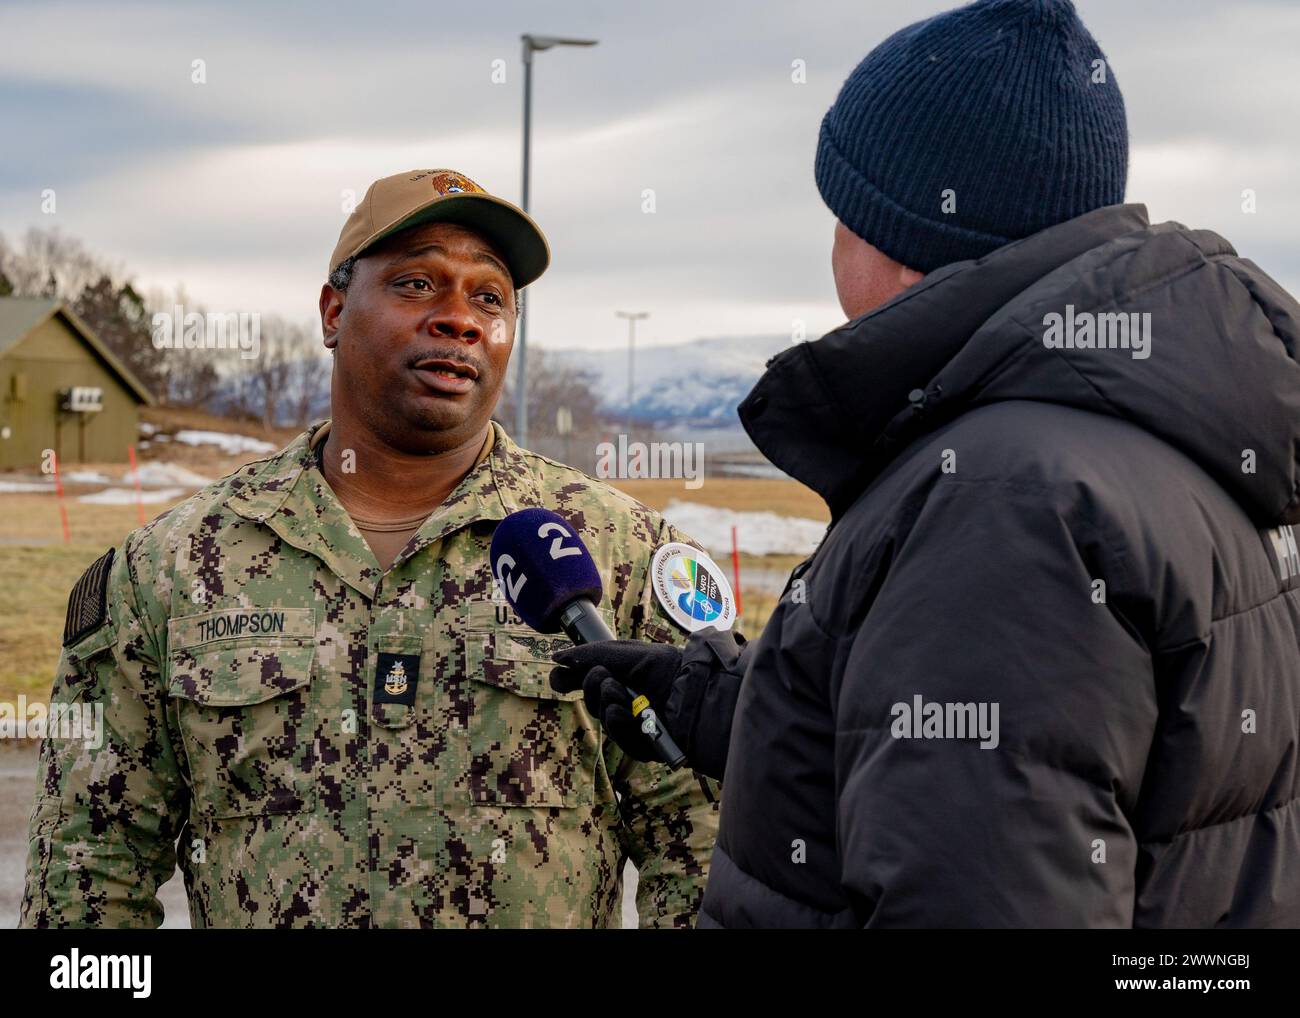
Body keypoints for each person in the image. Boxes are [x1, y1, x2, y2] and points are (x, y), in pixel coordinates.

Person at [551, 0, 1300, 927]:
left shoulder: (1001, 501)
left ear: (901, 236)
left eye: (843, 214)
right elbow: (1024, 752)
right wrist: (748, 707)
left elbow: (985, 862)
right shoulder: (1152, 443)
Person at [21, 168, 720, 929]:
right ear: (332, 310)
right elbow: (89, 873)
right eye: (418, 284)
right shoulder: (170, 568)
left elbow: (702, 847)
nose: (460, 318)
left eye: (490, 297)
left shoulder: (619, 554)